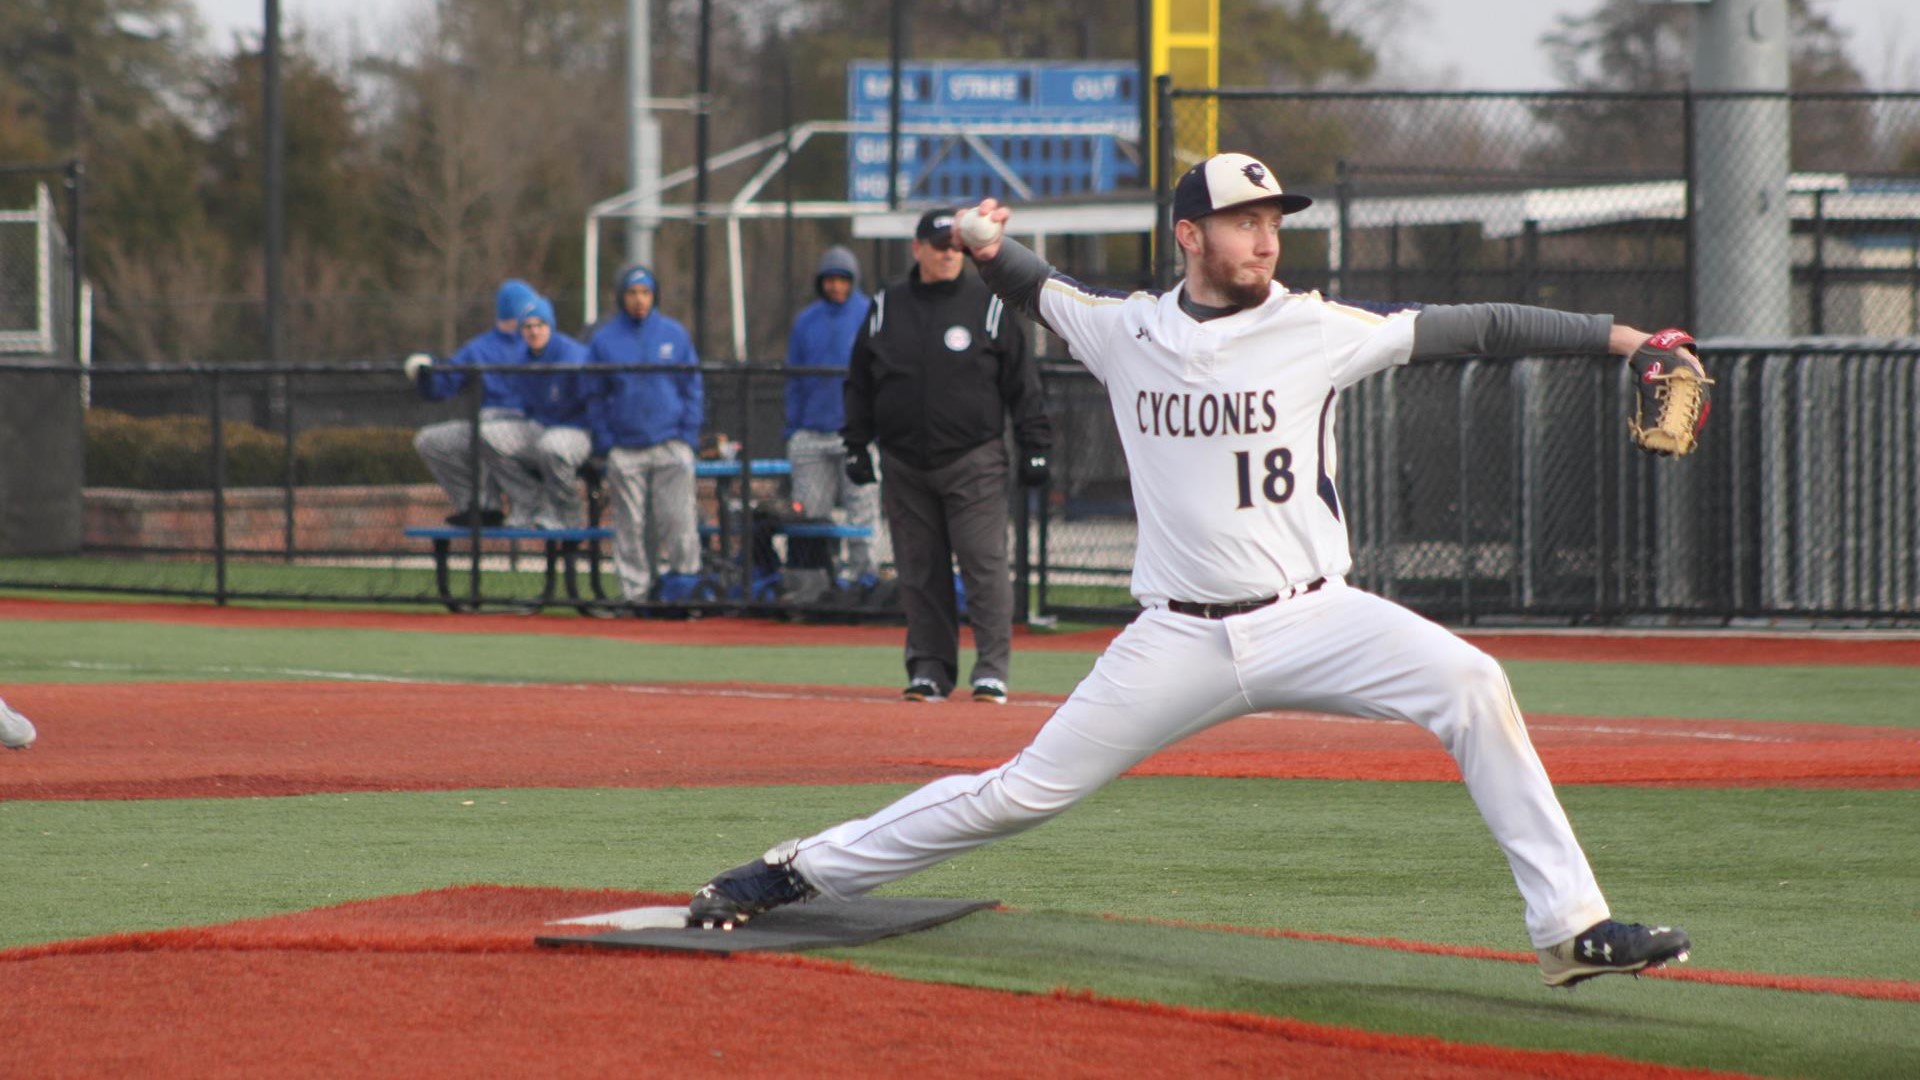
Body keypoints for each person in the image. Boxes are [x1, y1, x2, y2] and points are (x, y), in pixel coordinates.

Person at [685, 153, 1694, 990]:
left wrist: (1629, 341)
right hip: (1177, 637)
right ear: (1190, 235)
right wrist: (983, 242)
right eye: (1244, 218)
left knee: (1474, 683)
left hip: (1316, 615)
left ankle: (1571, 927)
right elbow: (1032, 285)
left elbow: (1479, 324)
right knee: (1021, 791)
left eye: (1273, 220)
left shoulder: (1314, 328)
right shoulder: (1130, 331)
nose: (1265, 236)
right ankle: (794, 870)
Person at [843, 208, 1052, 705]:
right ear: (917, 249)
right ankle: (930, 670)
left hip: (973, 458)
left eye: (956, 248)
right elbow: (860, 380)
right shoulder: (885, 306)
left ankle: (991, 671)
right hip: (904, 462)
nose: (949, 255)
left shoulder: (988, 303)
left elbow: (1022, 381)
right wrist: (855, 442)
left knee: (983, 564)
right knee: (919, 571)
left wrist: (1035, 446)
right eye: (940, 247)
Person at [588, 264, 704, 605]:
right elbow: (594, 395)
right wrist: (606, 441)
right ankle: (636, 596)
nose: (639, 300)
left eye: (645, 293)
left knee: (679, 520)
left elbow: (692, 387)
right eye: (632, 293)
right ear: (621, 297)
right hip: (625, 448)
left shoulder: (674, 334)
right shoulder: (604, 340)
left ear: (654, 296)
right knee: (630, 528)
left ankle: (686, 590)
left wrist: (687, 435)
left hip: (670, 444)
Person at [407, 278, 539, 527]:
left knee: (487, 430)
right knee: (431, 440)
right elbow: (443, 386)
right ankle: (480, 504)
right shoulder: (481, 348)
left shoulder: (539, 344)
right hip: (487, 425)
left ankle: (530, 503)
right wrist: (427, 375)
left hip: (526, 426)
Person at [785, 245, 880, 589]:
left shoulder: (870, 313)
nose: (836, 286)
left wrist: (875, 425)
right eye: (830, 280)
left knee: (862, 511)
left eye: (843, 279)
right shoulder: (806, 320)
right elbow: (793, 379)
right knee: (810, 512)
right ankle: (815, 584)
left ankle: (864, 580)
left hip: (857, 432)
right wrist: (793, 426)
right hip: (812, 431)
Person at [484, 295, 596, 529]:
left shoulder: (572, 355)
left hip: (578, 431)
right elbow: (524, 405)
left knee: (552, 445)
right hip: (542, 428)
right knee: (486, 435)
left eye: (540, 325)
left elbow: (594, 402)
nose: (534, 331)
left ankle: (569, 512)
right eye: (528, 326)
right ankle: (531, 502)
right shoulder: (523, 359)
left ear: (551, 326)